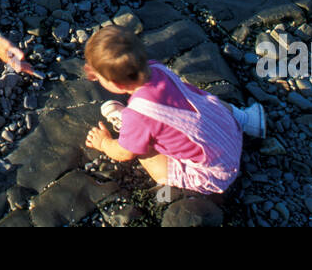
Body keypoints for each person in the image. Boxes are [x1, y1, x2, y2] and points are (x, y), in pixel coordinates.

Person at [81, 24, 264, 194]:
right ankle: (247, 119)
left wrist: (104, 143)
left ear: (117, 85)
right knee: (206, 101)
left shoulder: (139, 117)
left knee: (147, 154)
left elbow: (124, 153)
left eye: (98, 76)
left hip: (216, 173)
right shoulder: (157, 69)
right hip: (231, 130)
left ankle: (127, 129)